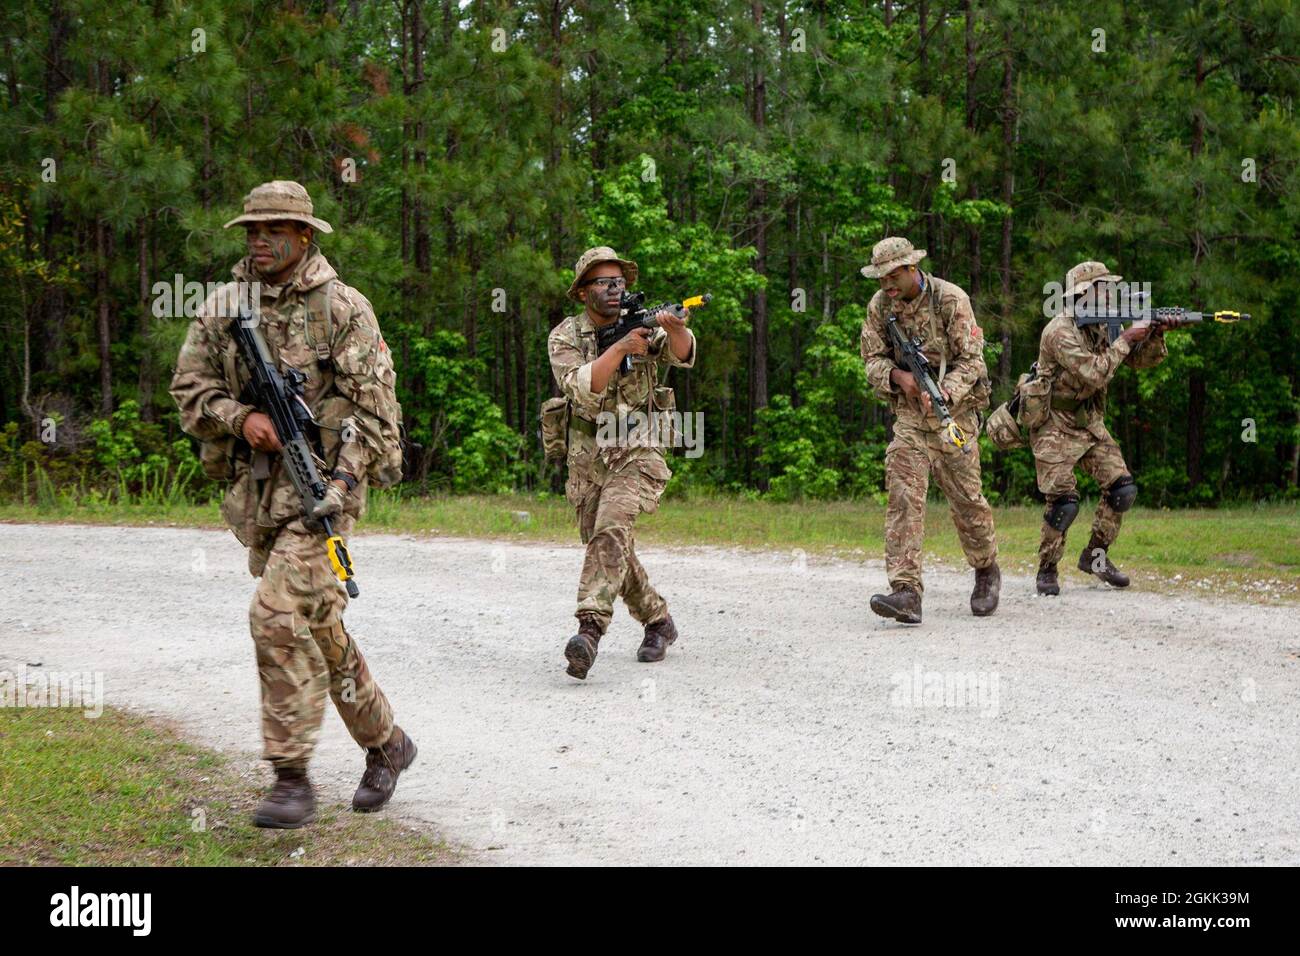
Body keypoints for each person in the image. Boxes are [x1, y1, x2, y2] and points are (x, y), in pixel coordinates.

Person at [170, 180, 414, 828]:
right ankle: (387, 742)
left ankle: (290, 779)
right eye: (251, 229)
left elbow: (377, 414)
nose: (258, 239)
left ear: (305, 235)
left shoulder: (343, 308)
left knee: (276, 614)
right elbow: (188, 388)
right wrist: (240, 416)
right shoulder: (223, 307)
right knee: (318, 627)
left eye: (273, 228)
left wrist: (340, 484)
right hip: (259, 496)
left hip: (326, 487)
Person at [546, 246, 697, 679]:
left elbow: (683, 354)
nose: (615, 290)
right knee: (608, 545)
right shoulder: (565, 336)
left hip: (640, 446)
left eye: (620, 283)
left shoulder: (645, 324)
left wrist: (675, 327)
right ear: (583, 293)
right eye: (605, 283)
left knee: (612, 528)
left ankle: (589, 629)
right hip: (588, 456)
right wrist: (622, 348)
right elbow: (582, 386)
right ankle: (658, 622)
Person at [859, 236, 1000, 625]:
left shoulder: (950, 299)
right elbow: (871, 360)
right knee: (903, 496)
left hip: (955, 418)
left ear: (911, 268)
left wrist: (943, 392)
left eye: (892, 276)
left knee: (968, 501)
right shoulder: (879, 307)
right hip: (910, 421)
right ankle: (906, 592)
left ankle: (986, 570)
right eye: (880, 278)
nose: (886, 285)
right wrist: (898, 378)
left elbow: (973, 361)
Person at [1030, 260, 1181, 595]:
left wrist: (1155, 333)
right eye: (1105, 288)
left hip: (1088, 421)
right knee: (1063, 503)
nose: (1112, 293)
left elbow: (1139, 361)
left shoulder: (1103, 325)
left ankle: (1095, 558)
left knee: (1121, 489)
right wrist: (1128, 336)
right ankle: (1047, 568)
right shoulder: (1060, 330)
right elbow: (1094, 373)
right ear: (1084, 293)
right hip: (1054, 423)